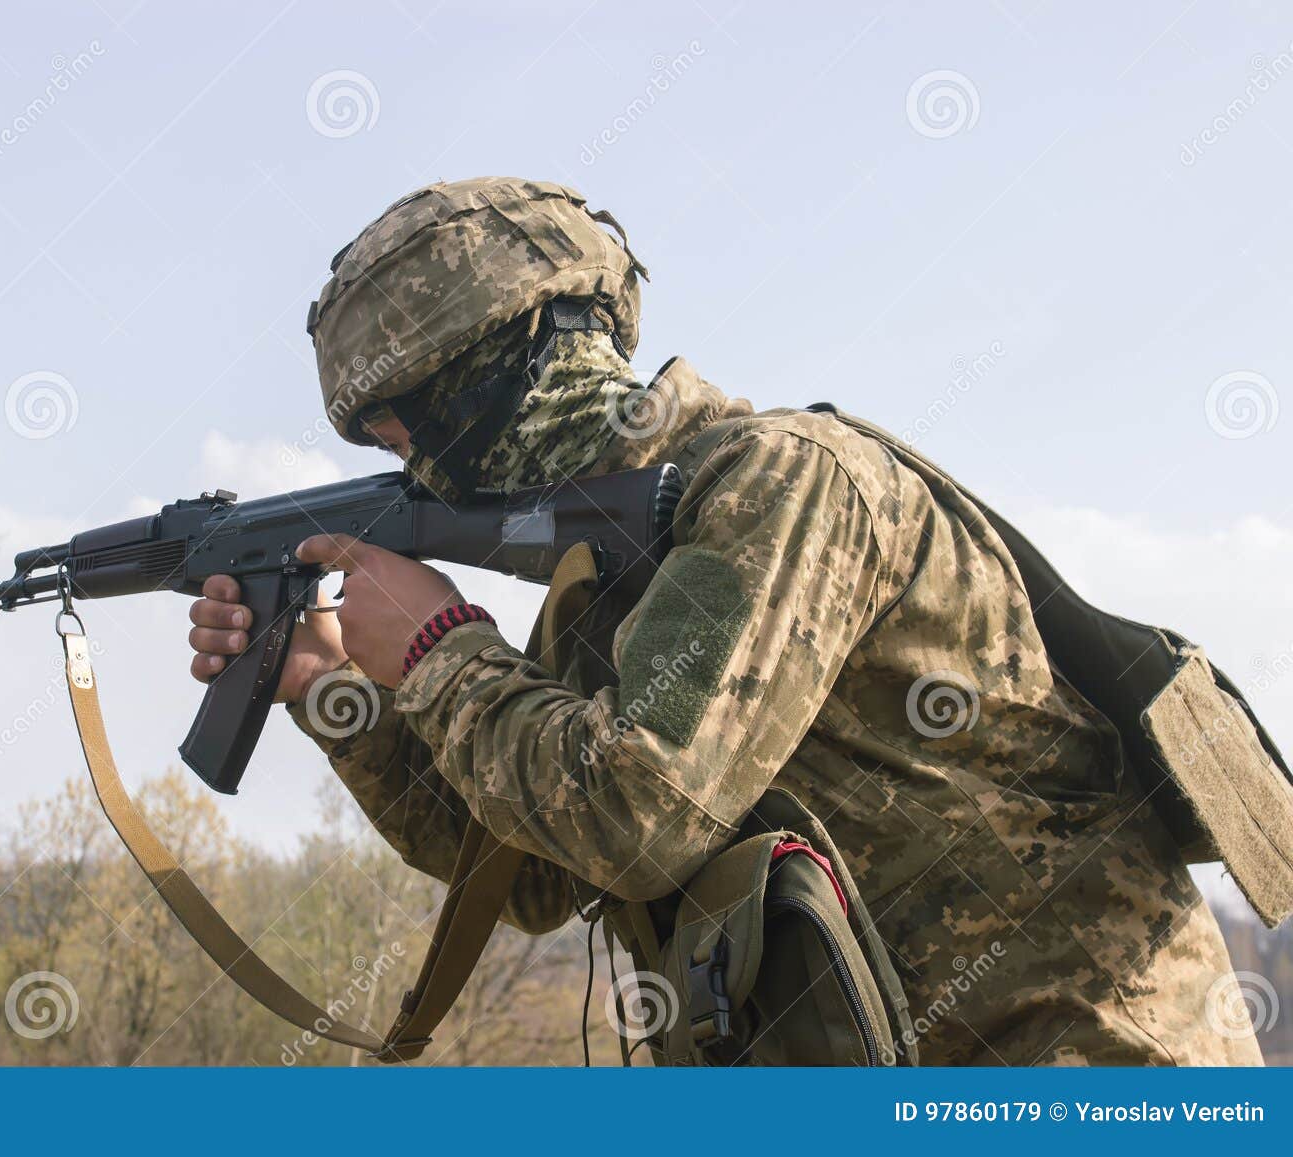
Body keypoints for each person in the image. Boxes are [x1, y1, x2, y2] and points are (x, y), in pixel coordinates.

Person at [185, 177, 1261, 1065]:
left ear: (510, 361)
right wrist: (335, 688)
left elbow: (633, 813)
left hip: (1084, 1056)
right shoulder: (605, 581)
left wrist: (437, 648)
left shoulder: (783, 484)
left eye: (405, 414)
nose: (400, 452)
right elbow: (533, 867)